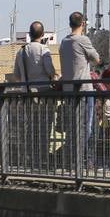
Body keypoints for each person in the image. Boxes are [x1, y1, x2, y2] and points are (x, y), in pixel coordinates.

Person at [10, 21, 57, 168]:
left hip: (27, 95)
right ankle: (43, 158)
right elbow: (50, 71)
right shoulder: (44, 49)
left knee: (31, 128)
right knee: (45, 127)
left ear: (29, 34)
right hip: (44, 94)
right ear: (42, 34)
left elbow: (16, 76)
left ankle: (30, 157)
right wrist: (55, 76)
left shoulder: (21, 52)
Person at [59, 11, 101, 172]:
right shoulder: (83, 40)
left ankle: (72, 160)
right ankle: (82, 161)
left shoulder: (64, 42)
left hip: (68, 90)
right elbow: (97, 59)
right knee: (86, 126)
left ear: (70, 24)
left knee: (73, 126)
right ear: (83, 24)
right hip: (83, 90)